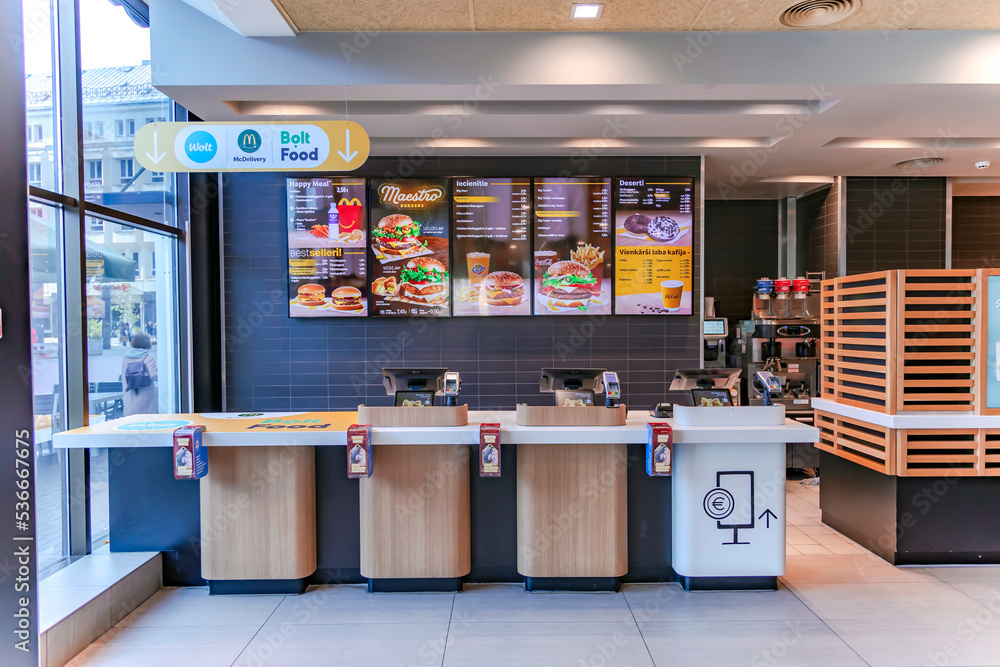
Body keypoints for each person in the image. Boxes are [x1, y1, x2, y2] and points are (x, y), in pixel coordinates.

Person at [122, 332, 158, 416]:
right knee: (147, 422)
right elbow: (153, 376)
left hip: (130, 396)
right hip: (146, 398)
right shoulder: (148, 358)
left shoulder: (125, 358)